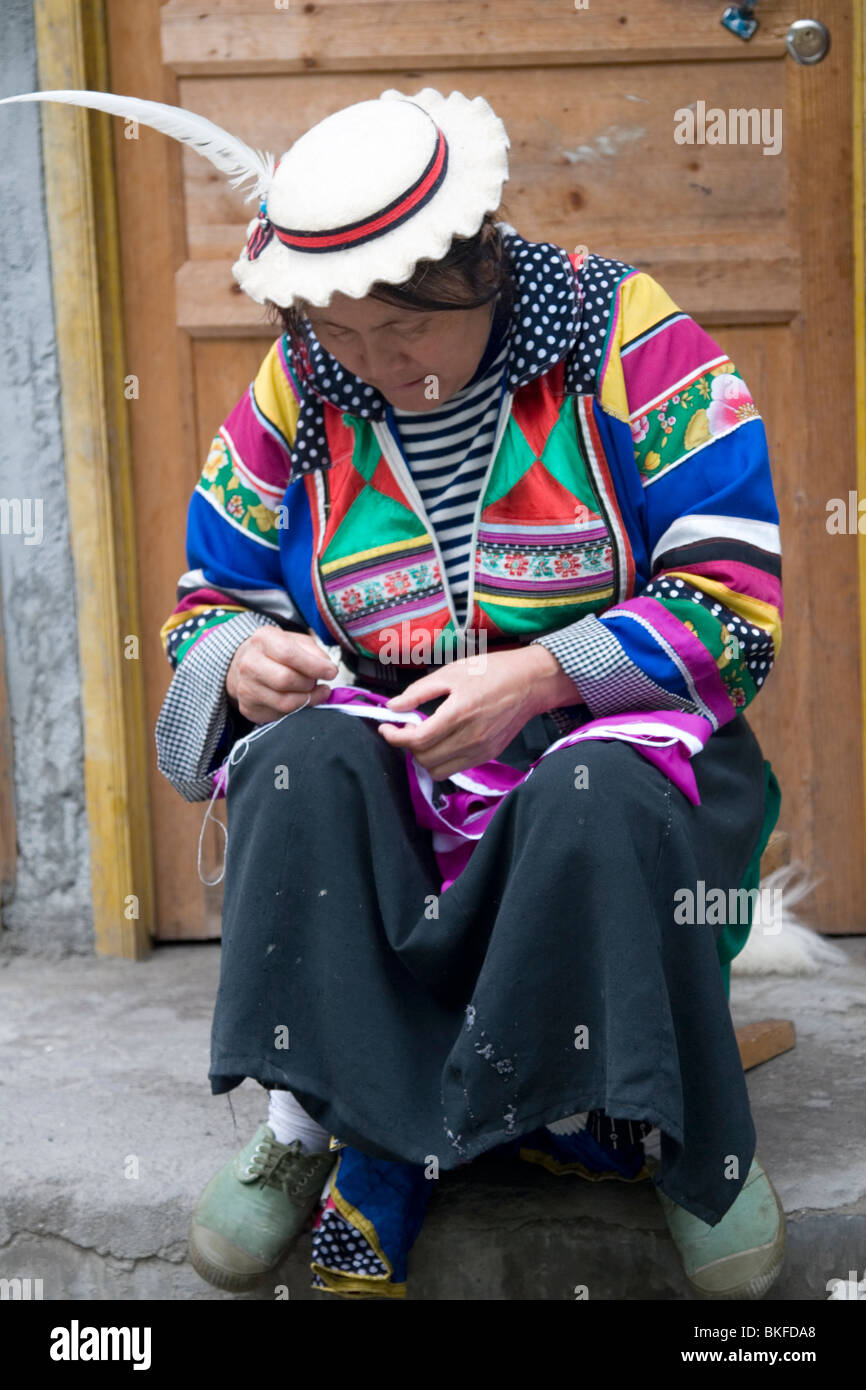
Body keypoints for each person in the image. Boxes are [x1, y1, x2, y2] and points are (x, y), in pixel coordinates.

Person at [1, 83, 785, 1301]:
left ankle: (681, 1132)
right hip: (405, 768)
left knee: (591, 785)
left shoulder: (626, 338)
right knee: (296, 759)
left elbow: (733, 595)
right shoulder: (301, 383)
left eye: (400, 333)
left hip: (617, 749)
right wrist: (239, 661)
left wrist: (537, 675)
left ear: (476, 274)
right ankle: (316, 1119)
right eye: (339, 337)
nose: (371, 366)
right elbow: (208, 600)